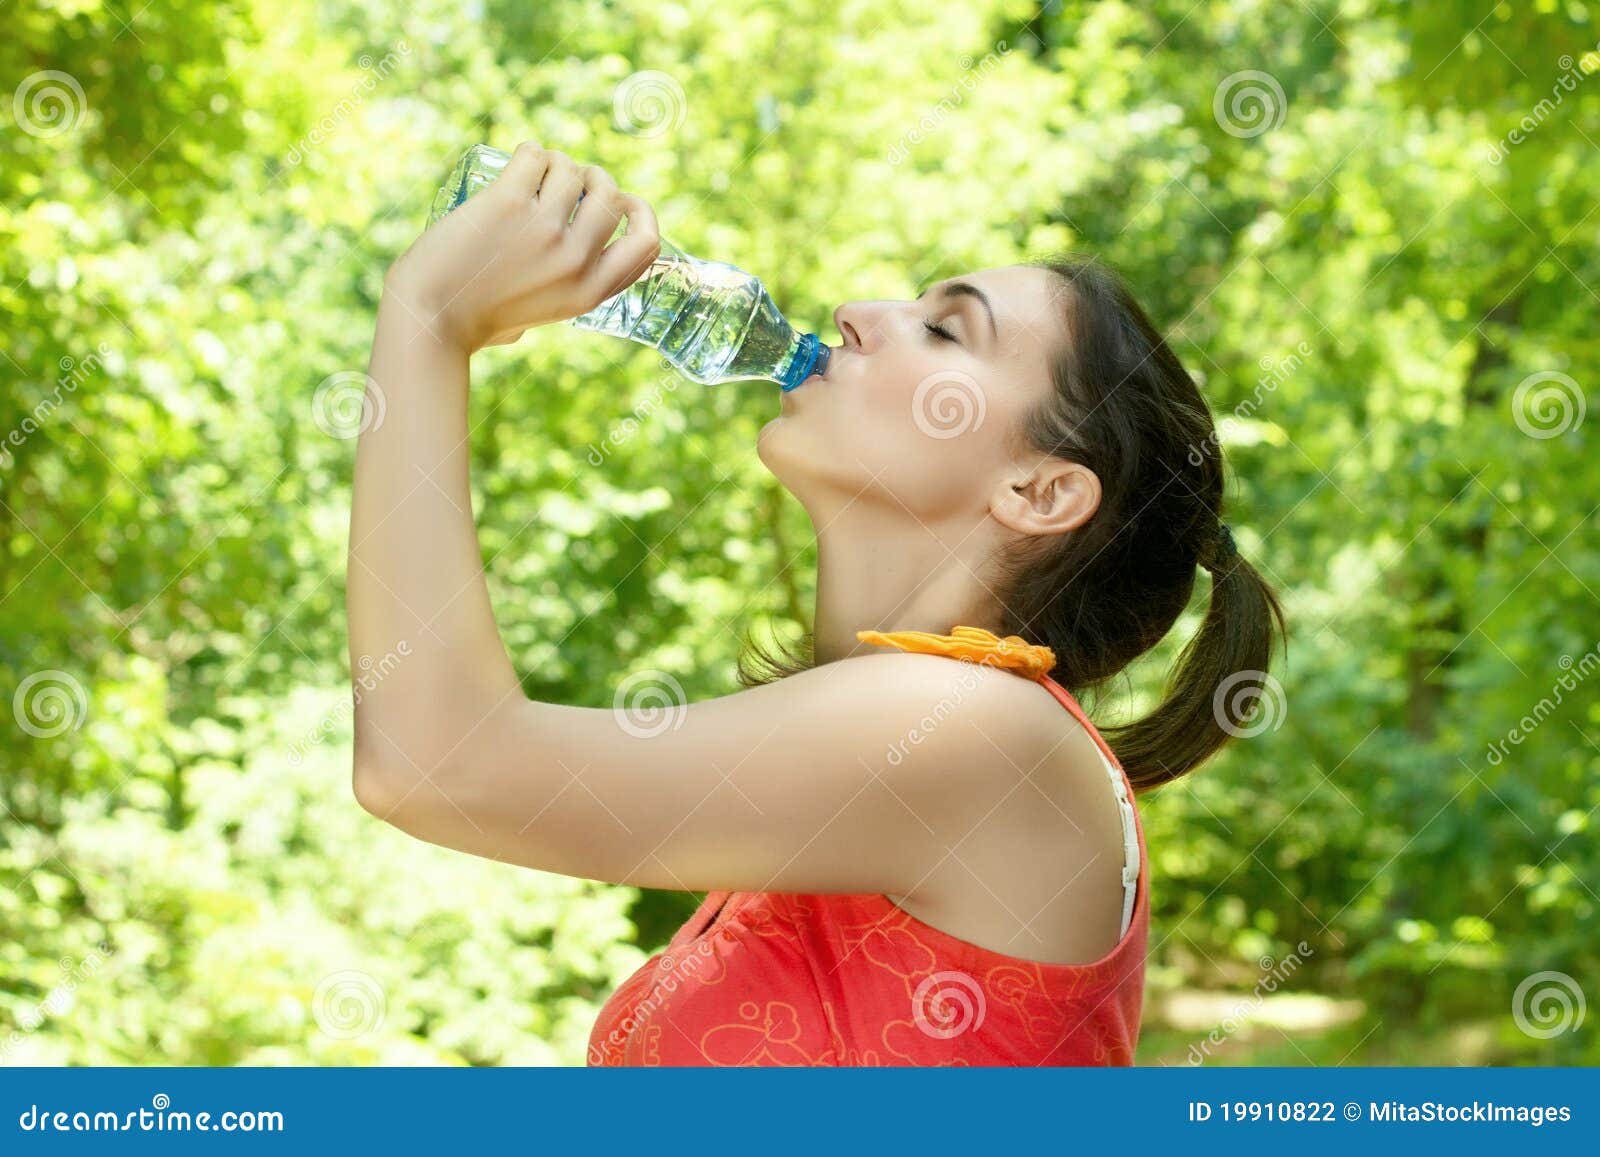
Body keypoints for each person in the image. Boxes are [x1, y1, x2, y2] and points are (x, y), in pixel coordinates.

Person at [347, 141, 1287, 1066]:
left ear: (1040, 492)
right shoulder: (906, 745)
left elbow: (436, 764)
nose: (856, 313)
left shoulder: (977, 727)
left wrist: (428, 319)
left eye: (945, 328)